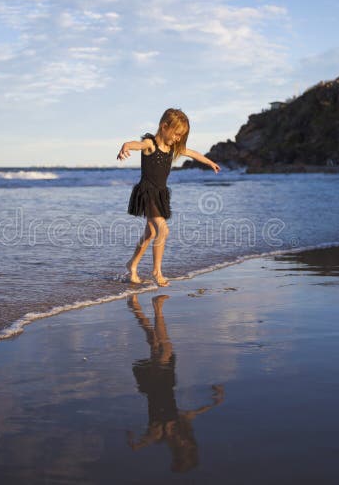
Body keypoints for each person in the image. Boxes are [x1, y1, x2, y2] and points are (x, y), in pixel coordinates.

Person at [117, 108, 220, 286]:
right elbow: (137, 144)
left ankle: (132, 265)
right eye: (177, 134)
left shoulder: (172, 148)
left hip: (160, 194)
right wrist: (126, 145)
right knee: (163, 230)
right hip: (147, 192)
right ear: (164, 126)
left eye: (182, 136)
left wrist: (210, 162)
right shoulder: (150, 144)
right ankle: (157, 271)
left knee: (150, 234)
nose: (178, 138)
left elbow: (193, 153)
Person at [126, 294, 225, 473]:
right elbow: (194, 412)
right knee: (157, 342)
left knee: (162, 345)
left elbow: (147, 439)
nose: (184, 442)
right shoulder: (181, 425)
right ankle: (136, 307)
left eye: (183, 447)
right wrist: (215, 402)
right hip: (166, 381)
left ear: (176, 449)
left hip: (153, 383)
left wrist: (138, 445)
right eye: (188, 444)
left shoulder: (161, 433)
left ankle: (155, 307)